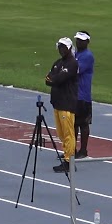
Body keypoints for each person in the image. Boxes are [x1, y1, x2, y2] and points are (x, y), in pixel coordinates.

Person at [46, 37, 78, 174]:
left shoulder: (72, 63)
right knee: (61, 133)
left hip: (67, 103)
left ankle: (69, 161)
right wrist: (55, 79)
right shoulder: (58, 63)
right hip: (58, 103)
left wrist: (55, 79)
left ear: (70, 48)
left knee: (68, 133)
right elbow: (49, 79)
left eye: (64, 47)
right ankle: (66, 154)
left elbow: (59, 79)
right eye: (60, 47)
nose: (61, 50)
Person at [72, 31, 93, 158]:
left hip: (83, 95)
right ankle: (72, 149)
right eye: (78, 40)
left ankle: (83, 150)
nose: (79, 42)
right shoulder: (76, 54)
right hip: (74, 94)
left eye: (82, 40)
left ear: (87, 42)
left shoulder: (87, 56)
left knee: (83, 124)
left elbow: (75, 70)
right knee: (73, 124)